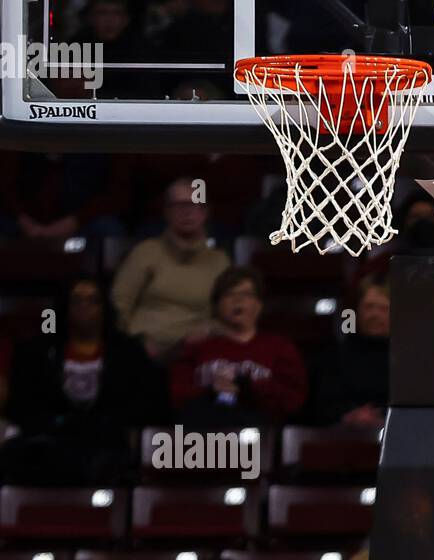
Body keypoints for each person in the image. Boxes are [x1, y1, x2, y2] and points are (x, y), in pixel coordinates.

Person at [4, 277, 159, 485]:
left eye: (93, 300)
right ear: (65, 307)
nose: (84, 307)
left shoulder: (129, 351)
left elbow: (144, 406)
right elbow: (22, 407)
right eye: (76, 300)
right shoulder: (37, 351)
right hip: (51, 442)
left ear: (105, 309)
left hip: (107, 443)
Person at [170, 266, 308, 427]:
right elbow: (176, 397)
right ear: (217, 306)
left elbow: (293, 401)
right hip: (204, 434)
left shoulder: (279, 347)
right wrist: (210, 391)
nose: (238, 300)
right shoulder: (198, 346)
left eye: (246, 294)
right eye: (229, 295)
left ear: (259, 305)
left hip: (260, 435)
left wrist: (247, 387)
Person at [110, 177, 232, 359]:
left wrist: (209, 331)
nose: (187, 212)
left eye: (195, 204)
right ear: (167, 212)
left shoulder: (219, 262)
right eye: (179, 206)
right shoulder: (145, 252)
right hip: (143, 352)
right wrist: (137, 343)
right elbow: (119, 305)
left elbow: (228, 314)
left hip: (197, 353)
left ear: (205, 212)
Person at [310, 274, 390, 428]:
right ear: (358, 310)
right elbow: (322, 406)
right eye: (369, 306)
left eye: (383, 308)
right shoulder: (335, 356)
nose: (375, 315)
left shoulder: (409, 360)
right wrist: (350, 416)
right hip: (341, 438)